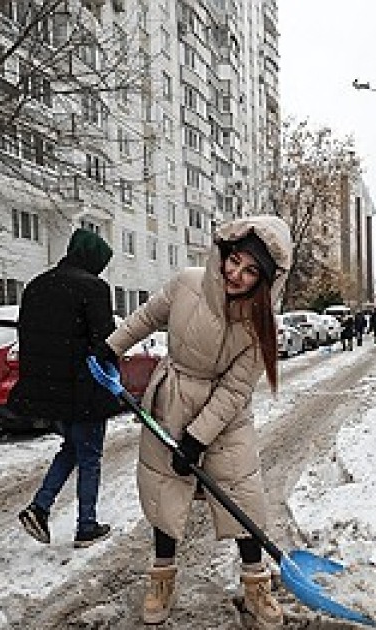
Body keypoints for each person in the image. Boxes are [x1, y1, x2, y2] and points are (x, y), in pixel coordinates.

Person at [101, 215, 292, 628]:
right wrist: (110, 349)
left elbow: (235, 391)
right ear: (224, 252)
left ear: (265, 280)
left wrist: (198, 438)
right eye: (235, 260)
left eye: (250, 271)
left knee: (243, 495)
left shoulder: (262, 327)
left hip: (228, 418)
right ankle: (162, 579)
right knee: (163, 491)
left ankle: (256, 585)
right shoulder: (187, 283)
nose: (236, 274)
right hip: (171, 398)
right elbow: (146, 318)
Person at [11, 229, 122, 548]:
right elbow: (106, 342)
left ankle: (40, 508)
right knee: (90, 456)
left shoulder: (37, 286)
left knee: (73, 448)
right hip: (83, 389)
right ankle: (86, 525)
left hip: (47, 392)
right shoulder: (93, 288)